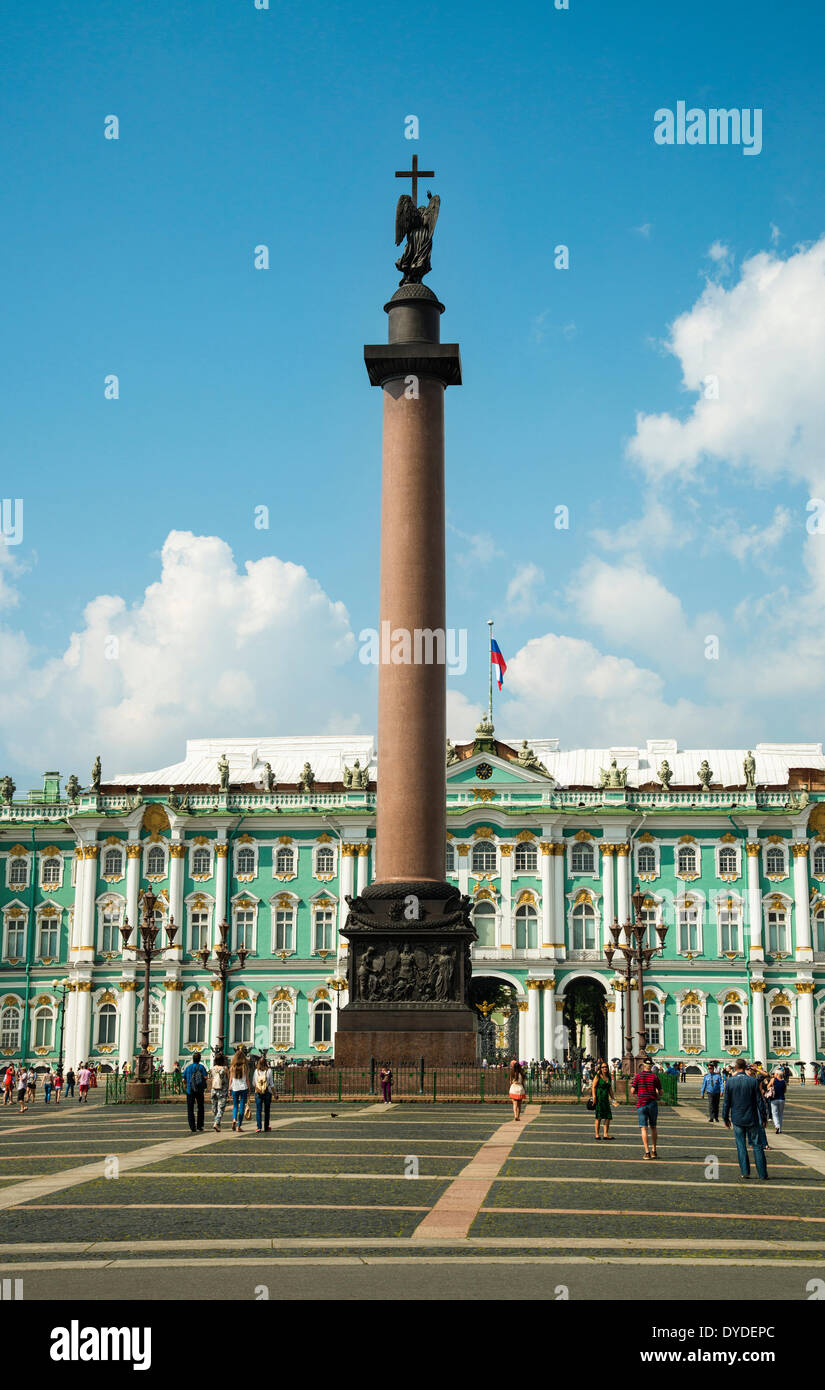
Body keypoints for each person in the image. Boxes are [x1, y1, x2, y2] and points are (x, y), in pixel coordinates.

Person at [724, 1058, 769, 1180]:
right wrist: (764, 1117)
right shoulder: (753, 1081)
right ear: (745, 1067)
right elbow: (760, 1102)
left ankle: (745, 1172)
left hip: (737, 1118)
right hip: (752, 1118)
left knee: (741, 1145)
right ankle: (762, 1174)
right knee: (757, 1145)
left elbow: (726, 1102)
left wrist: (725, 1118)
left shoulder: (730, 1082)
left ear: (736, 1067)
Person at [631, 1056, 662, 1159]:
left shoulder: (638, 1076)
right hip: (652, 1104)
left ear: (643, 1065)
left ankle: (647, 1152)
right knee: (653, 1127)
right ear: (651, 1066)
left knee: (644, 1128)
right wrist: (656, 1094)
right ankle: (654, 1150)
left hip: (641, 1104)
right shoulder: (655, 1077)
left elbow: (632, 1091)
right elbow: (661, 1092)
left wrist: (639, 1092)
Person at [183, 1051, 208, 1133]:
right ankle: (200, 1125)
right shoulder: (201, 1067)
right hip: (199, 1090)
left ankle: (192, 1127)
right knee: (200, 1107)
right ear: (199, 1059)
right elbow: (205, 1077)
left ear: (193, 1059)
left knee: (190, 1109)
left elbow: (183, 1079)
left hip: (190, 1090)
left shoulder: (188, 1067)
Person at [591, 1062, 614, 1140]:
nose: (605, 1068)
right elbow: (593, 1086)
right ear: (600, 1068)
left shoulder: (608, 1077)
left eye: (606, 1067)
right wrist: (594, 1096)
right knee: (599, 1117)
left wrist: (613, 1099)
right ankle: (597, 1134)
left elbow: (610, 1089)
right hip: (599, 1098)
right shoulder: (598, 1076)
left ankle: (605, 1134)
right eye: (603, 1067)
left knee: (608, 1117)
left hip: (606, 1099)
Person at [229, 1052, 249, 1133]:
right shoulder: (245, 1067)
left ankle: (234, 1118)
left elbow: (230, 1079)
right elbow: (247, 1079)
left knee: (235, 1106)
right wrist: (249, 1089)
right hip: (244, 1088)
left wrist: (229, 1089)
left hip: (235, 1088)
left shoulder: (232, 1067)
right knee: (242, 1107)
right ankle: (239, 1126)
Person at [253, 1057, 274, 1133]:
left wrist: (258, 1089)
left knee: (258, 1110)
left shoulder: (256, 1071)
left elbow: (254, 1083)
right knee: (267, 1110)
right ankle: (266, 1127)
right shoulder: (269, 1071)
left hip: (258, 1092)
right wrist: (275, 1094)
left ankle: (258, 1127)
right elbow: (271, 1084)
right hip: (267, 1092)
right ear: (266, 1063)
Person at [210, 1053, 229, 1132]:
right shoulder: (225, 1068)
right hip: (222, 1091)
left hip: (213, 1090)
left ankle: (217, 1123)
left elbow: (212, 1078)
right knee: (221, 1108)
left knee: (214, 1108)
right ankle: (216, 1122)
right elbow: (227, 1078)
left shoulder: (212, 1068)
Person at [766, 1068, 786, 1134]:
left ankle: (777, 1126)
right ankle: (779, 1129)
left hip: (774, 1099)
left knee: (774, 1114)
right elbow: (785, 1091)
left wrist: (771, 1088)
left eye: (775, 1073)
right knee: (780, 1114)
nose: (774, 1074)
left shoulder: (773, 1080)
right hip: (782, 1099)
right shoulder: (783, 1081)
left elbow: (768, 1087)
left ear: (777, 1074)